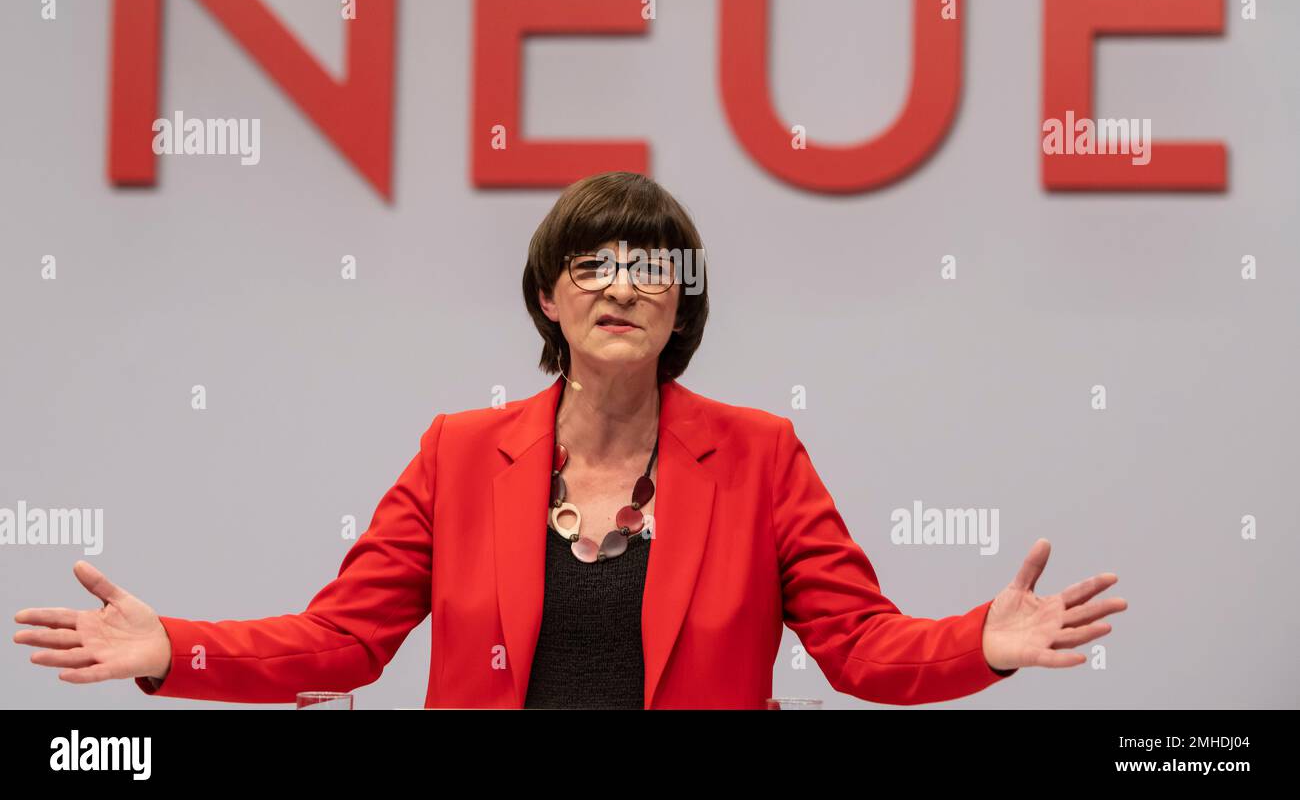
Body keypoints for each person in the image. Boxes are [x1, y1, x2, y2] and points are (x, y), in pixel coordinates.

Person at [14, 171, 1126, 708]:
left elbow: (858, 648)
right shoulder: (459, 452)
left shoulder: (759, 455)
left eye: (651, 267)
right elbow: (344, 641)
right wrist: (175, 651)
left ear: (681, 308)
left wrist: (982, 639)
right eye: (590, 264)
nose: (622, 286)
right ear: (546, 297)